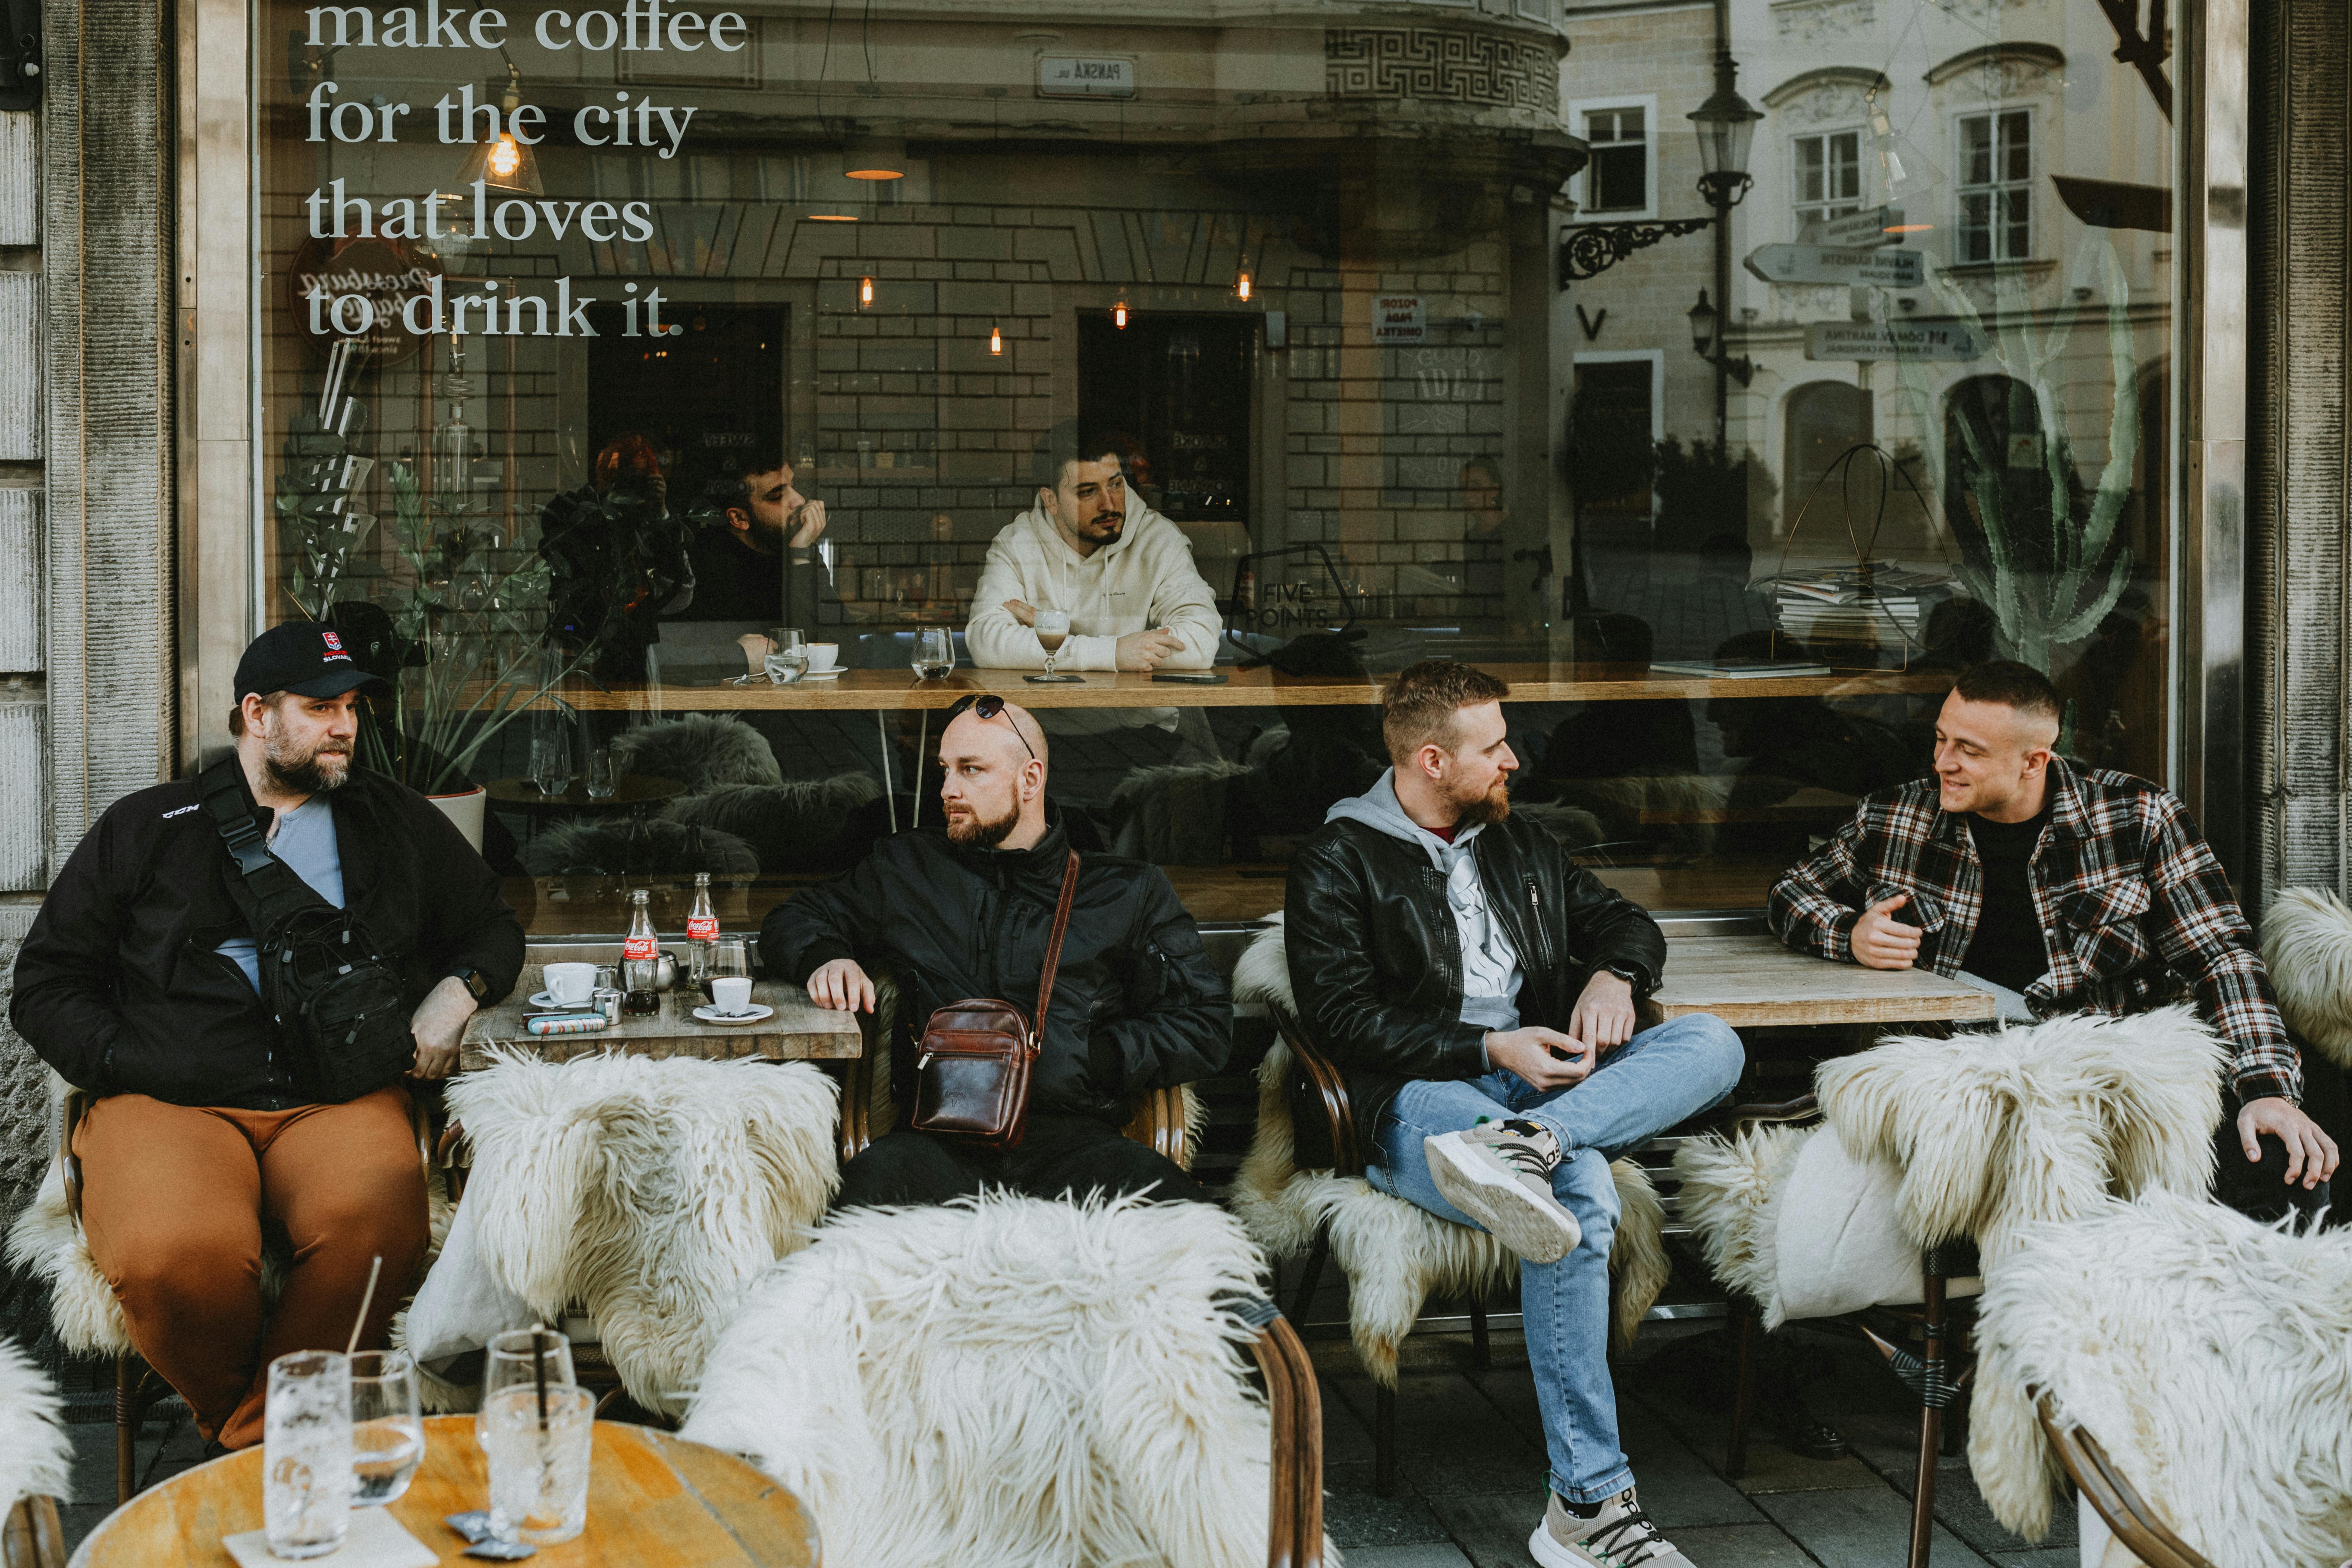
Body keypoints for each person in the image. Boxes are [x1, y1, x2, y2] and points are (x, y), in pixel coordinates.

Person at [10, 622, 524, 1450]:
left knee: (376, 1224)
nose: (346, 726)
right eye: (321, 707)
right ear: (256, 713)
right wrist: (124, 1061)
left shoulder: (388, 818)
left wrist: (456, 996)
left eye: (352, 706)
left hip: (333, 1095)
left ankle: (250, 1447)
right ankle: (278, 1440)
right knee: (173, 1254)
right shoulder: (149, 825)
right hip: (169, 1101)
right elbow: (45, 985)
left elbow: (491, 927)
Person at [1285, 660, 1745, 1568]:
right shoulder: (1336, 861)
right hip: (1419, 1096)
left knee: (1715, 1043)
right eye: (1494, 746)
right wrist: (1492, 1048)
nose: (1514, 761)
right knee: (1580, 1210)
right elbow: (1340, 1019)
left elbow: (1624, 921)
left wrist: (1617, 975)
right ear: (1430, 760)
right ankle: (1588, 1505)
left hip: (1544, 1097)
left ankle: (1532, 1143)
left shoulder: (1518, 840)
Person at [1769, 659, 2340, 1219]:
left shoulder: (2139, 816)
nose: (1943, 761)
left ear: (2034, 760)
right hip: (1965, 1073)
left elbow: (2221, 956)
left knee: (2283, 1165)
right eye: (1941, 739)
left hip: (2117, 1064)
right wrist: (1851, 934)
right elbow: (1790, 893)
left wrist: (2266, 1088)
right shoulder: (1897, 817)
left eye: (1969, 749)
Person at [763, 694, 1232, 1207]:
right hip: (933, 1146)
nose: (948, 790)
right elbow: (794, 917)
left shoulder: (1125, 891)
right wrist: (827, 955)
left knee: (1203, 1251)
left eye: (970, 769)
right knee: (846, 1244)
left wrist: (1094, 1056)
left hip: (1080, 1146)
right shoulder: (908, 868)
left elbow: (1205, 1023)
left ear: (1029, 779)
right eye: (944, 770)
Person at [964, 427, 1221, 673]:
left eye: (1116, 485)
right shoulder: (1018, 544)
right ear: (1050, 500)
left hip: (1141, 716)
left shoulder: (1158, 539)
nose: (1108, 504)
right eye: (1088, 492)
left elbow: (1201, 643)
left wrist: (1053, 640)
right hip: (1046, 716)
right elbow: (985, 641)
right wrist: (1115, 652)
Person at [678, 449, 832, 627]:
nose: (799, 500)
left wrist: (801, 554)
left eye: (793, 485)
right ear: (739, 519)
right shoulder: (710, 570)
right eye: (777, 496)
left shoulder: (792, 545)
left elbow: (842, 641)